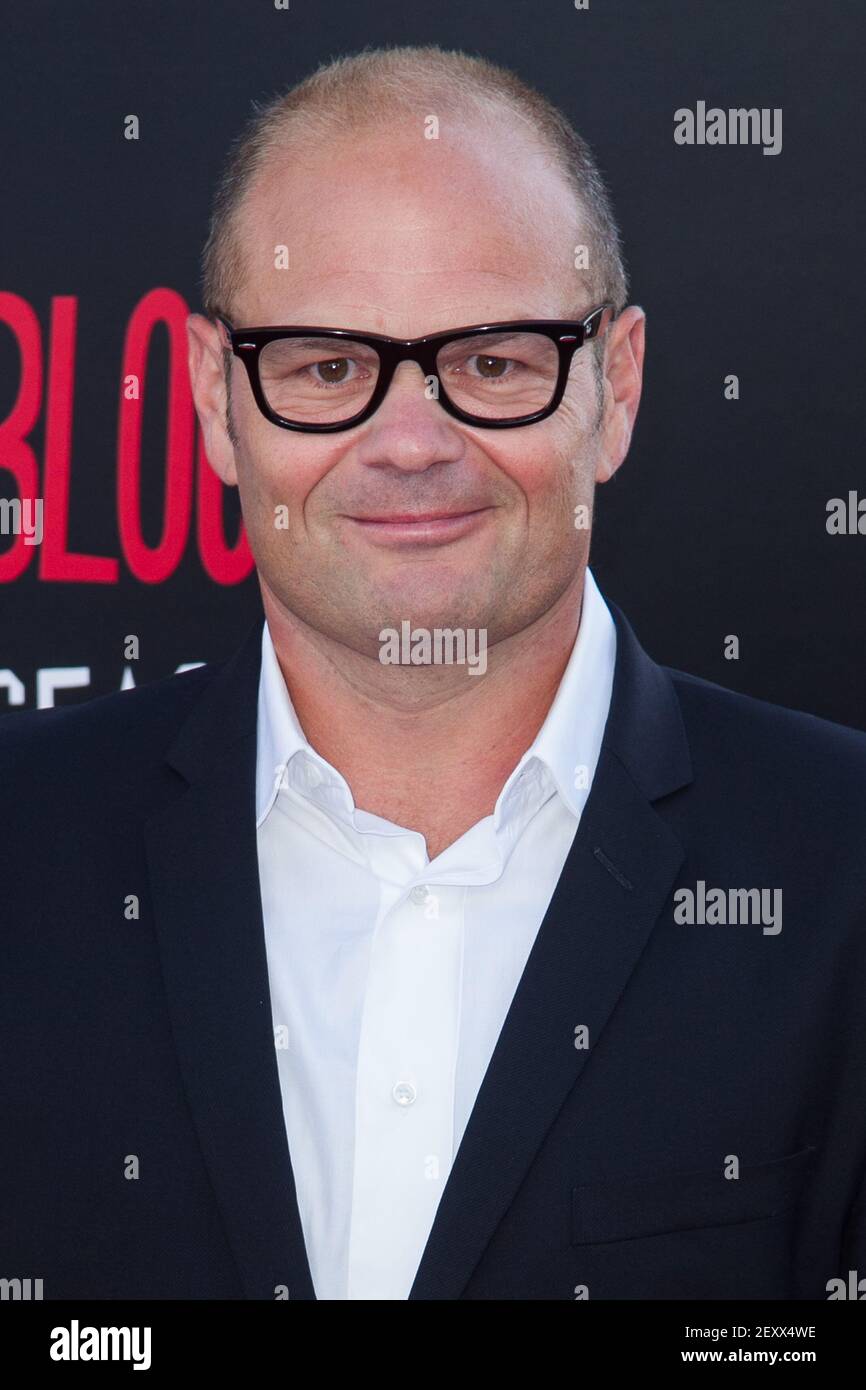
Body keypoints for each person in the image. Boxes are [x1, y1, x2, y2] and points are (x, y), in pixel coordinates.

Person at [2, 44, 865, 1302]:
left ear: (613, 390)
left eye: (493, 361)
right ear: (207, 399)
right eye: (326, 367)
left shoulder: (841, 867)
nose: (410, 443)